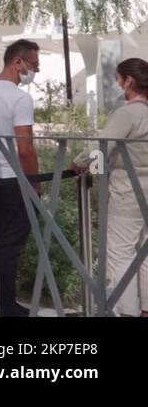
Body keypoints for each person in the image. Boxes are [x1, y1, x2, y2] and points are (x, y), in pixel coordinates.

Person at [74, 57, 148, 317]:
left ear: (128, 81)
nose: (118, 83)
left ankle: (127, 312)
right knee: (146, 255)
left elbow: (101, 149)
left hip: (128, 192)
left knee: (121, 254)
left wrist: (79, 164)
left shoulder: (128, 113)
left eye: (119, 79)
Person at [0, 39, 41, 317]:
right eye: (34, 64)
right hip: (14, 178)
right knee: (10, 245)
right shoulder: (19, 98)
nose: (35, 70)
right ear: (18, 62)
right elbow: (25, 148)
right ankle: (5, 306)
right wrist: (35, 183)